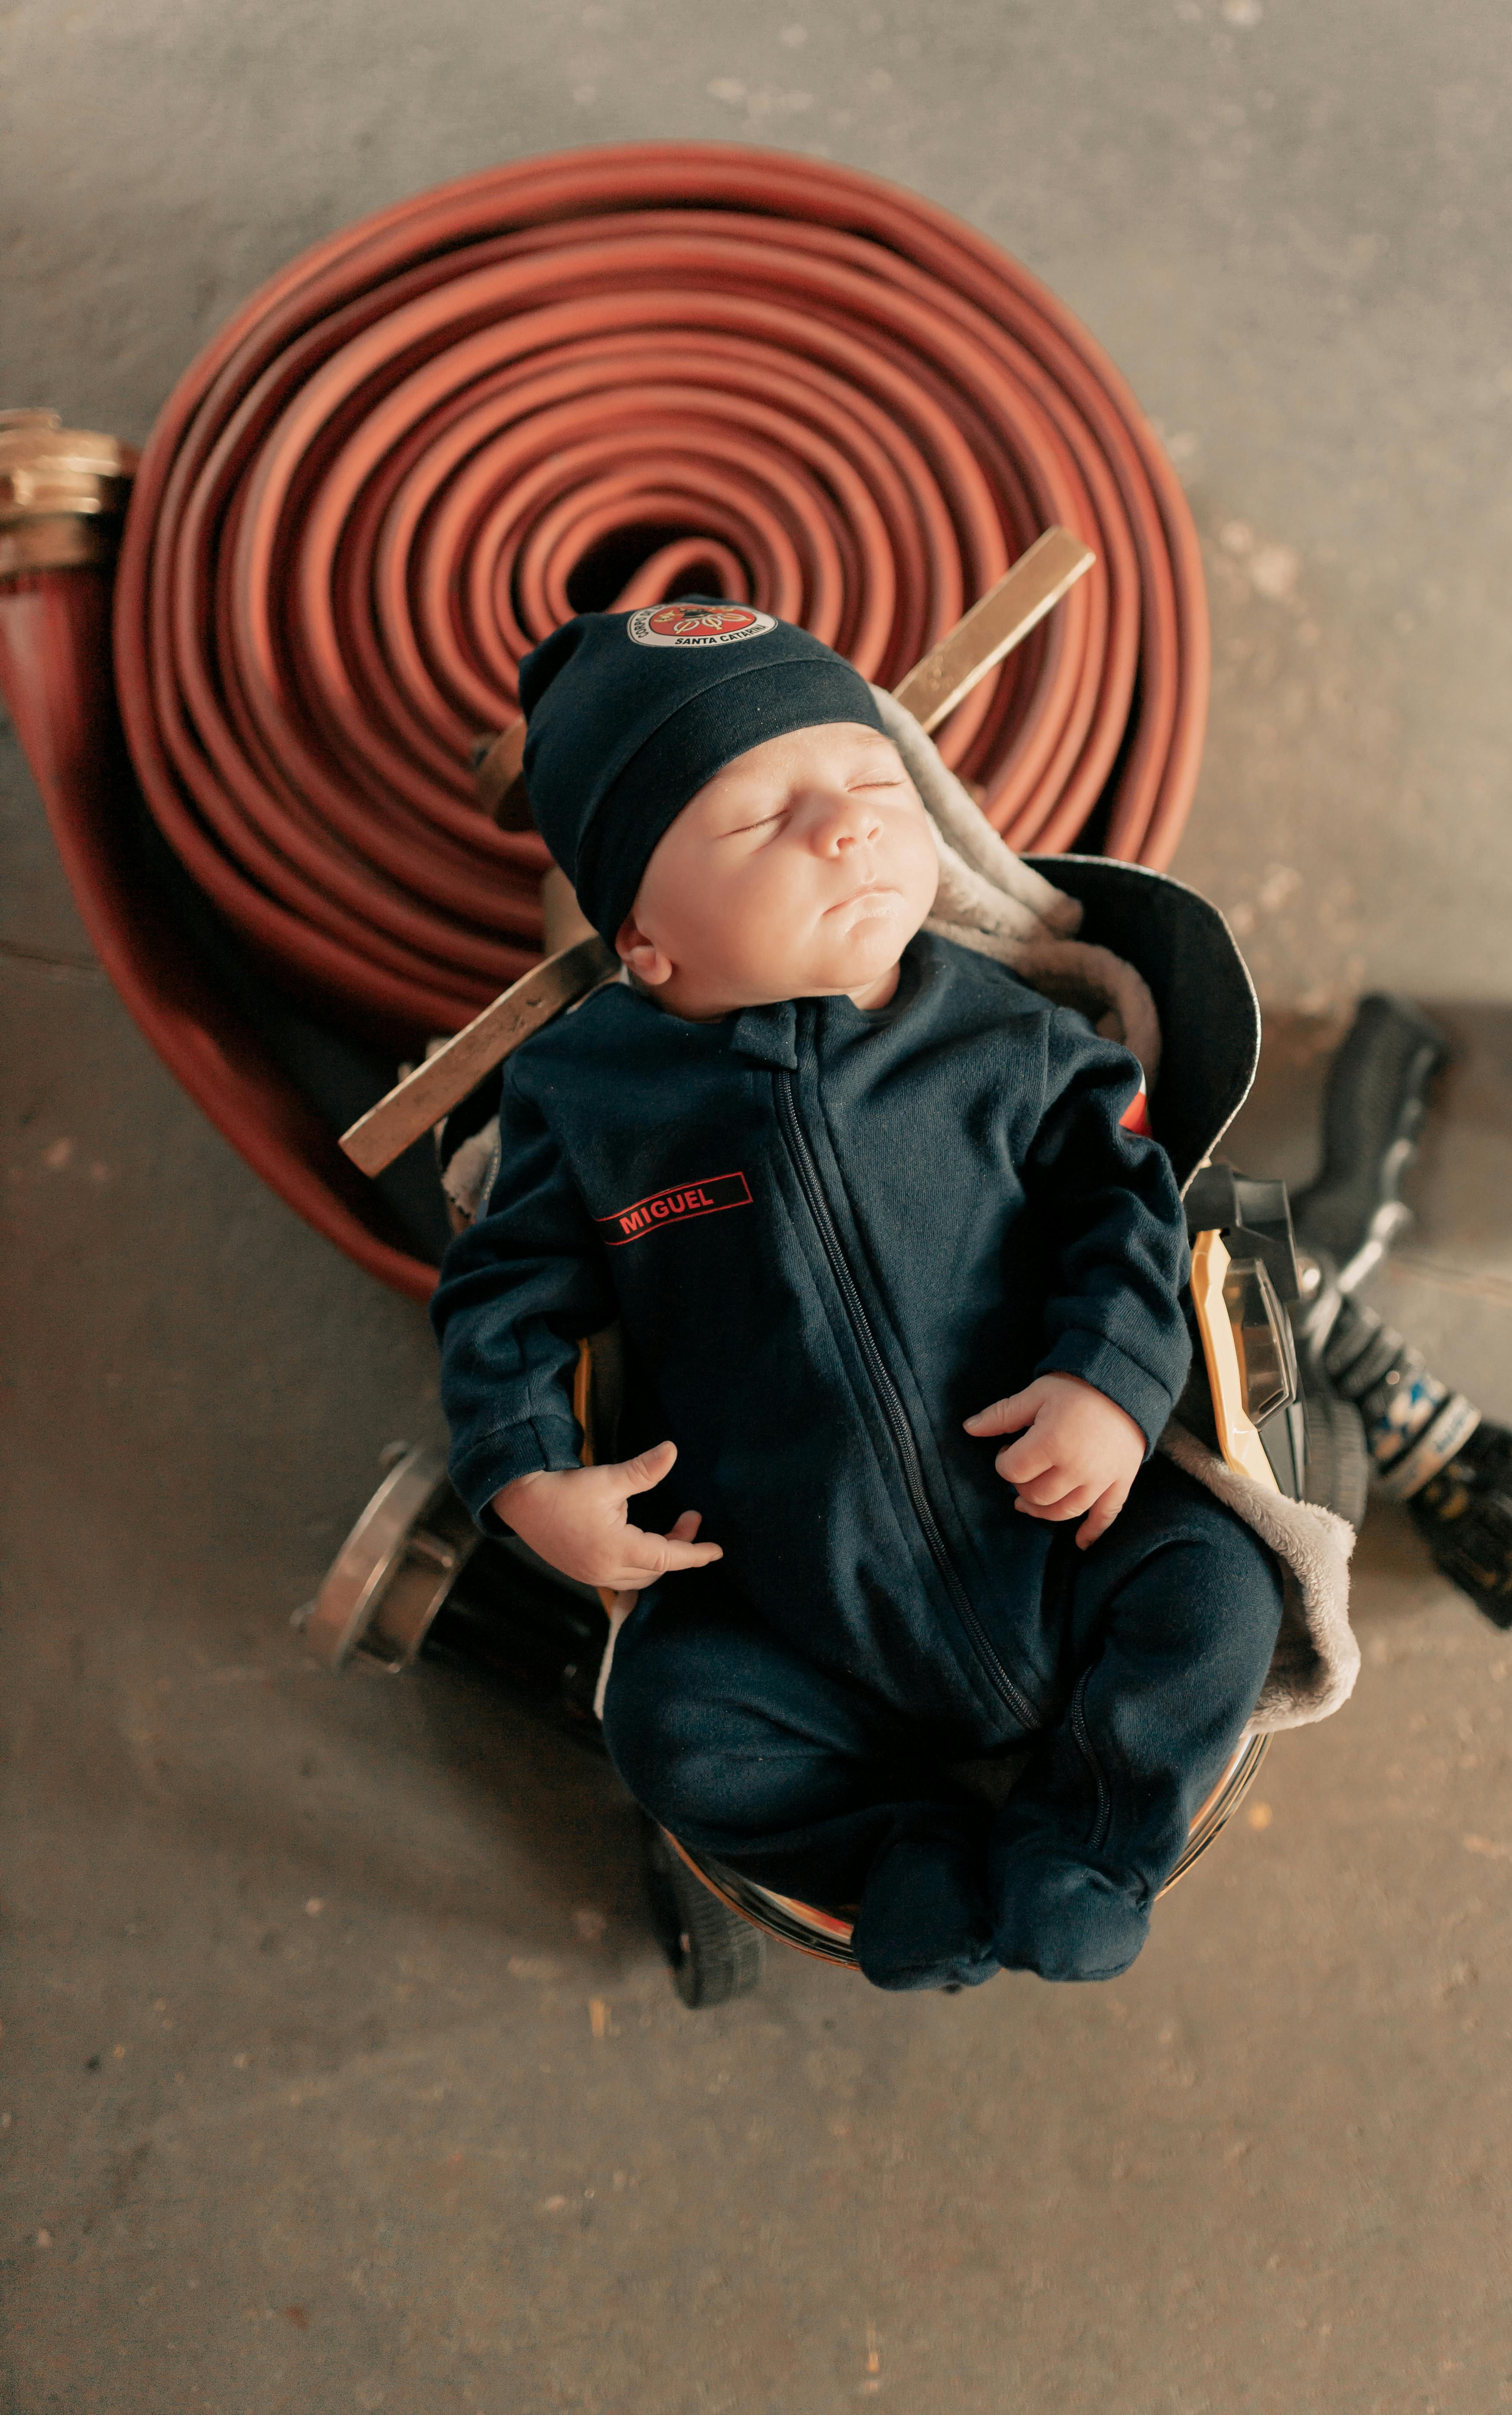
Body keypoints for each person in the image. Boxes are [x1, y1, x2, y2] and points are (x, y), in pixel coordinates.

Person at [432, 604, 1284, 1989]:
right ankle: (904, 1857)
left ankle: (1086, 1845)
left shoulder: (1006, 1040)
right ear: (643, 937)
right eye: (764, 816)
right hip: (783, 1603)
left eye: (877, 787)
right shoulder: (589, 1098)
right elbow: (501, 1294)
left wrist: (1111, 1383)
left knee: (1220, 1593)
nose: (850, 829)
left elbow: (1124, 1206)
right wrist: (528, 1474)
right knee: (667, 1723)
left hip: (1056, 1538)